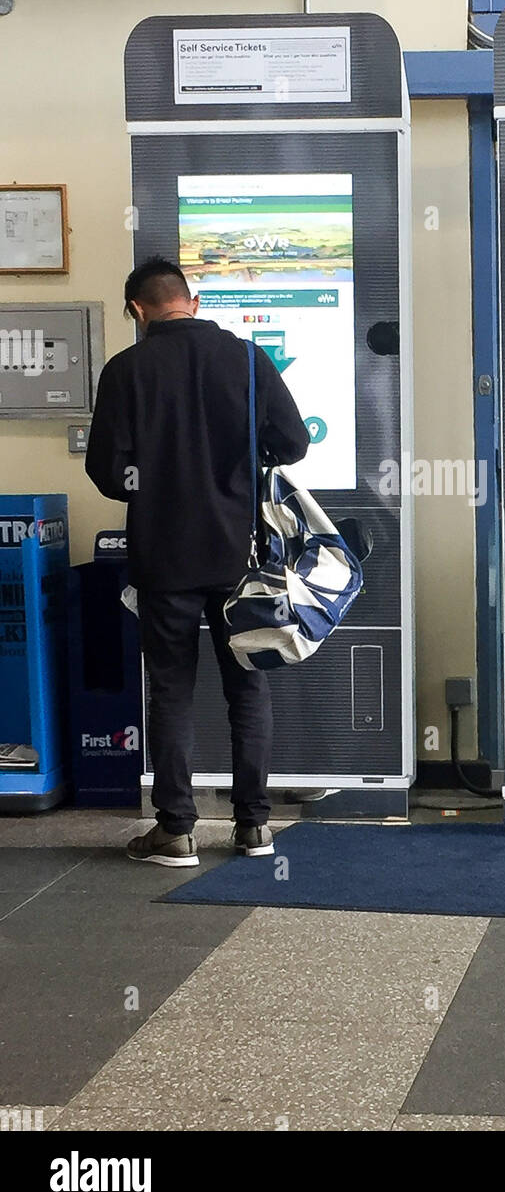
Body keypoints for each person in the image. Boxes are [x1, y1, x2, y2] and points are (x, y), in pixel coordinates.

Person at [86, 258, 309, 867]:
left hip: (163, 556)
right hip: (241, 555)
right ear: (194, 299)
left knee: (172, 691)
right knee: (247, 686)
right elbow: (293, 444)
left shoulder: (125, 370)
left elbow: (107, 471)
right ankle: (254, 827)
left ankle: (177, 830)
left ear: (137, 309)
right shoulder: (247, 359)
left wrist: (151, 482)